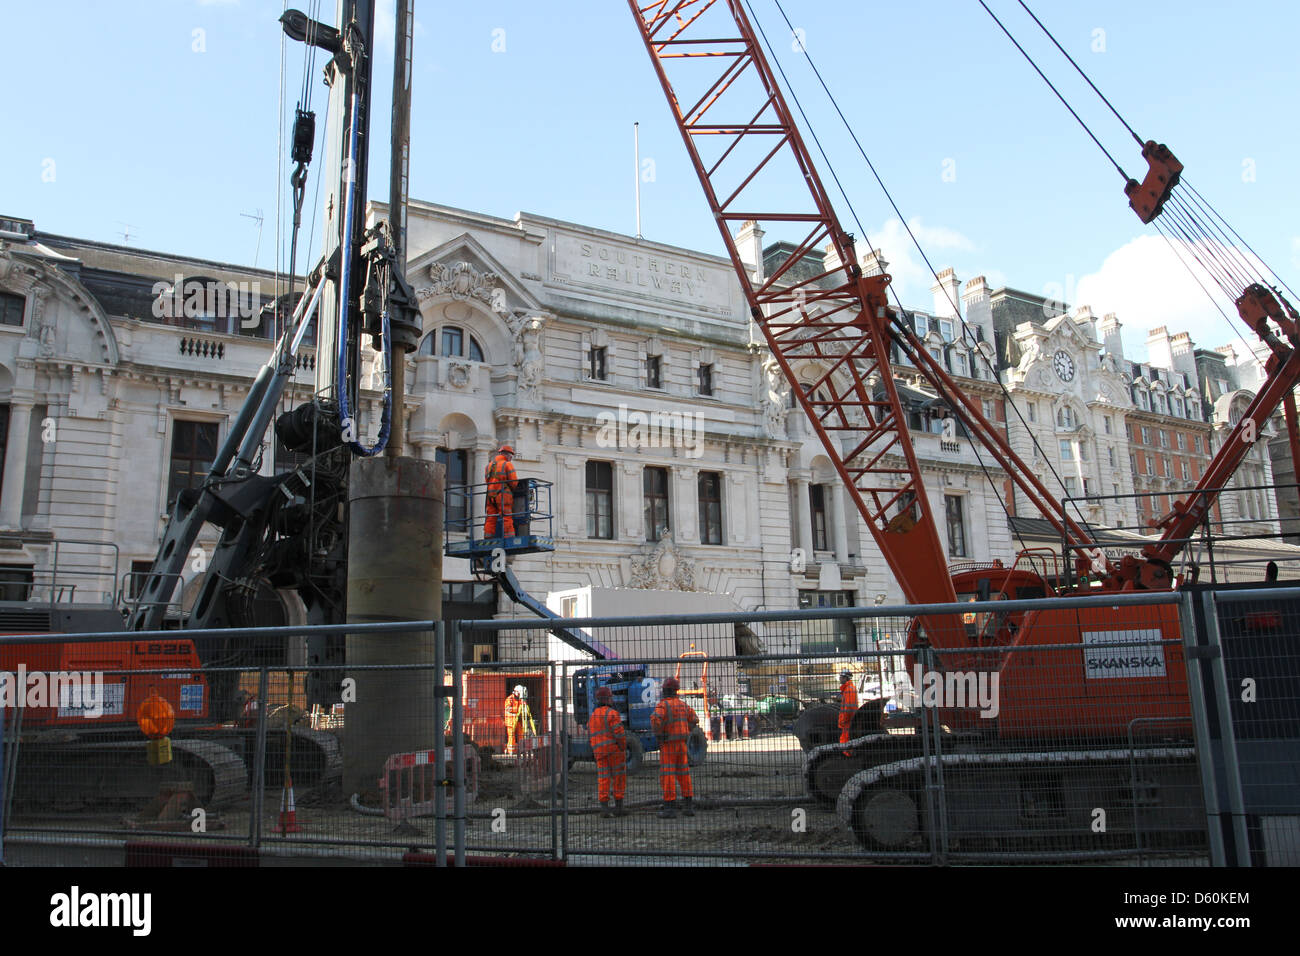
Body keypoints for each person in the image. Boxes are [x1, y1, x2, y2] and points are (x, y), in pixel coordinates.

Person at [650, 677, 699, 818]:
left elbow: (655, 720)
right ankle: (688, 806)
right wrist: (687, 729)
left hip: (668, 746)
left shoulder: (663, 706)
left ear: (665, 691)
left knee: (668, 775)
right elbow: (694, 719)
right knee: (684, 775)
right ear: (676, 691)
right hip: (682, 745)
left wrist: (660, 734)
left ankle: (670, 808)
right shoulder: (683, 705)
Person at [589, 686, 627, 818]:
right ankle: (619, 807)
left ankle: (604, 808)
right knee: (618, 778)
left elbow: (592, 736)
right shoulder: (612, 714)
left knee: (603, 779)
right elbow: (619, 733)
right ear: (608, 698)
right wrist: (622, 747)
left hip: (600, 753)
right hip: (614, 752)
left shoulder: (593, 716)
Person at [483, 444, 517, 538]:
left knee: (490, 517)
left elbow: (487, 480)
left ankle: (488, 536)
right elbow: (513, 482)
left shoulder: (488, 466)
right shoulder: (507, 464)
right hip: (503, 494)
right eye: (511, 456)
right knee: (506, 516)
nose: (511, 458)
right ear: (507, 455)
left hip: (490, 496)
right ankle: (509, 537)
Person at [503, 684, 535, 755]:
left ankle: (522, 749)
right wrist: (518, 710)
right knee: (511, 736)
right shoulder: (509, 699)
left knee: (521, 734)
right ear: (516, 692)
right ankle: (511, 751)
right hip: (511, 721)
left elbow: (524, 709)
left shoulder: (520, 700)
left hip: (519, 721)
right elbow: (508, 709)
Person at [838, 669, 859, 756]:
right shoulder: (848, 689)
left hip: (848, 722)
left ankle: (849, 757)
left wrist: (843, 720)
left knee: (846, 741)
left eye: (841, 677)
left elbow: (848, 708)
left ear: (846, 678)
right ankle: (848, 755)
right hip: (849, 721)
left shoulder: (849, 689)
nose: (840, 679)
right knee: (847, 740)